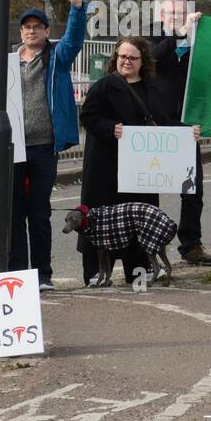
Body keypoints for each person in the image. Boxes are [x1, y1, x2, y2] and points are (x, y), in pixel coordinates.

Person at [77, 36, 174, 285]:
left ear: (143, 61)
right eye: (122, 56)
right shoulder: (105, 85)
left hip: (140, 169)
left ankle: (138, 271)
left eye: (132, 57)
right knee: (101, 219)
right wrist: (111, 129)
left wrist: (188, 132)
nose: (126, 61)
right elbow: (88, 116)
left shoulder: (154, 87)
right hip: (105, 167)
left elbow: (165, 121)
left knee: (137, 216)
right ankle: (96, 273)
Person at [9, 0, 87, 291]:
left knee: (39, 212)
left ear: (46, 31)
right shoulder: (7, 62)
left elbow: (75, 40)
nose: (31, 31)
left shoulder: (57, 58)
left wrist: (77, 9)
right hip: (12, 149)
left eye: (37, 26)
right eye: (27, 27)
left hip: (44, 147)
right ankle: (16, 272)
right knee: (14, 214)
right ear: (21, 33)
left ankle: (42, 275)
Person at [151, 0, 211, 266]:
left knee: (192, 190)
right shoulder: (150, 39)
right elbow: (150, 60)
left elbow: (209, 79)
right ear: (161, 16)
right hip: (154, 127)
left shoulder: (196, 46)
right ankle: (147, 247)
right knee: (146, 188)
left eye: (181, 14)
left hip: (186, 127)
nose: (177, 18)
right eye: (171, 14)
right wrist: (177, 36)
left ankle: (191, 245)